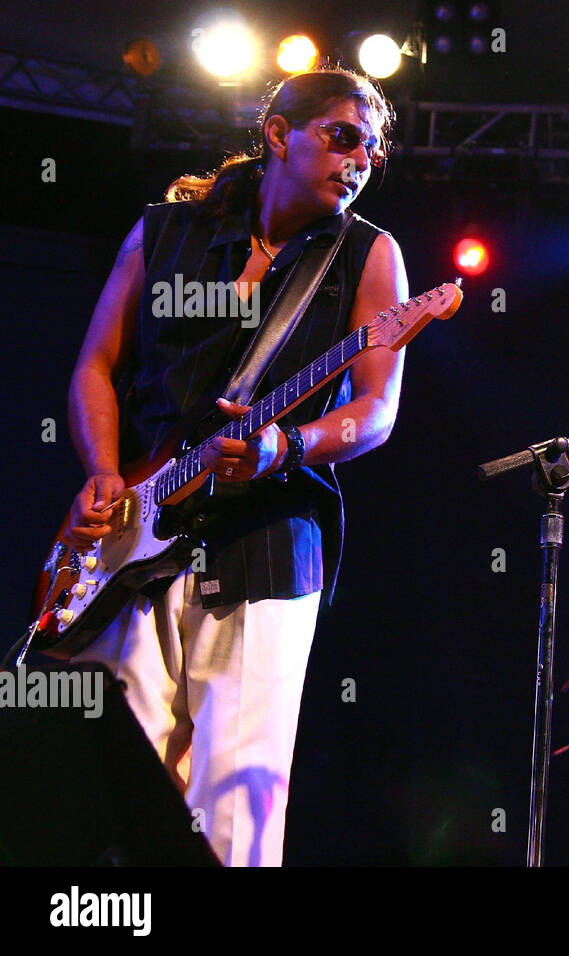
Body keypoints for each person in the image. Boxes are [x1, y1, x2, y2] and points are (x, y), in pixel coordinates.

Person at [62, 67, 409, 866]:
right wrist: (102, 471)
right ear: (280, 135)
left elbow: (376, 409)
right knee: (117, 791)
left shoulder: (368, 256)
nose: (360, 159)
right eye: (343, 136)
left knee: (233, 810)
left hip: (267, 541)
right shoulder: (164, 231)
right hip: (130, 546)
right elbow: (95, 364)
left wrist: (286, 446)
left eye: (373, 149)